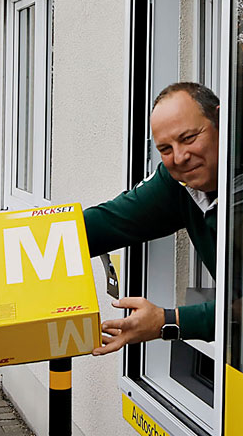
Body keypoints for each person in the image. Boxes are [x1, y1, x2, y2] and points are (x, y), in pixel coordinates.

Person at [87, 81, 221, 354]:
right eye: (165, 149)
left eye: (189, 138)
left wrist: (168, 321)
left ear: (223, 121)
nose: (180, 157)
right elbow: (102, 224)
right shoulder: (178, 184)